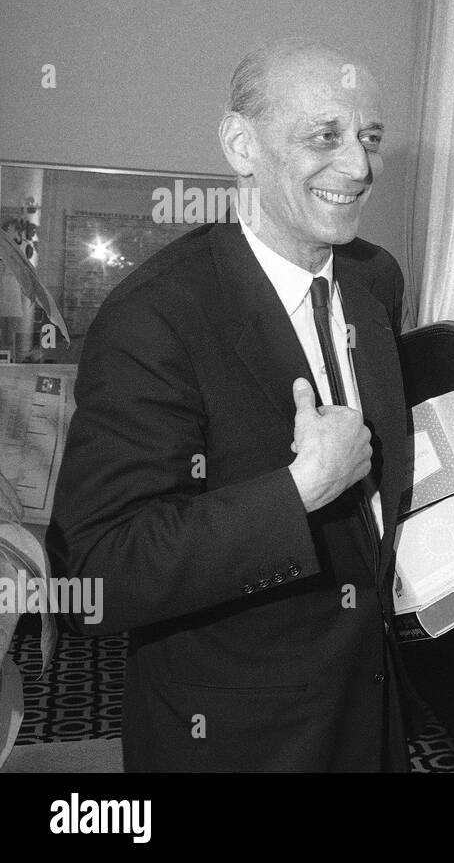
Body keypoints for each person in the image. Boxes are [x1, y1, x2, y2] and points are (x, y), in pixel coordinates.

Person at [48, 38, 416, 771]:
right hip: (239, 743)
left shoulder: (377, 281)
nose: (360, 167)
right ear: (241, 143)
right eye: (326, 136)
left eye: (370, 138)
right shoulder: (155, 316)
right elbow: (94, 575)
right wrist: (299, 490)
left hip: (371, 718)